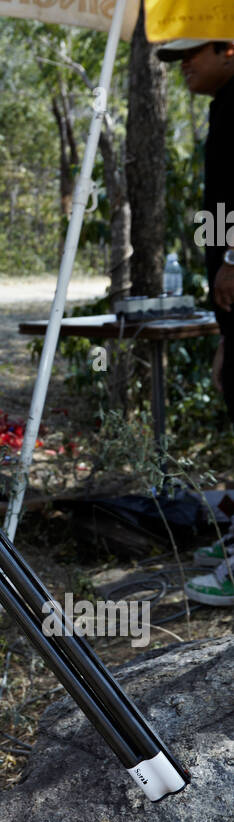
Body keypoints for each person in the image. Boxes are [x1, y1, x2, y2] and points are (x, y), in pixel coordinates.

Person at [155, 37, 234, 604]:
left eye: (193, 53)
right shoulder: (220, 109)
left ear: (228, 48)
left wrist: (232, 259)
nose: (185, 66)